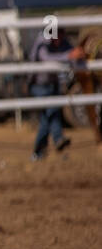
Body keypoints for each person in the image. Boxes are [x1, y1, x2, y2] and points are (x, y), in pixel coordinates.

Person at [27, 31, 84, 160]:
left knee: (48, 117)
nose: (59, 36)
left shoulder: (64, 42)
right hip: (38, 85)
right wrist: (69, 55)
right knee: (51, 112)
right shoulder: (42, 41)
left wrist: (77, 55)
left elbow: (73, 55)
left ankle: (38, 152)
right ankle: (57, 139)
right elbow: (45, 58)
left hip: (53, 85)